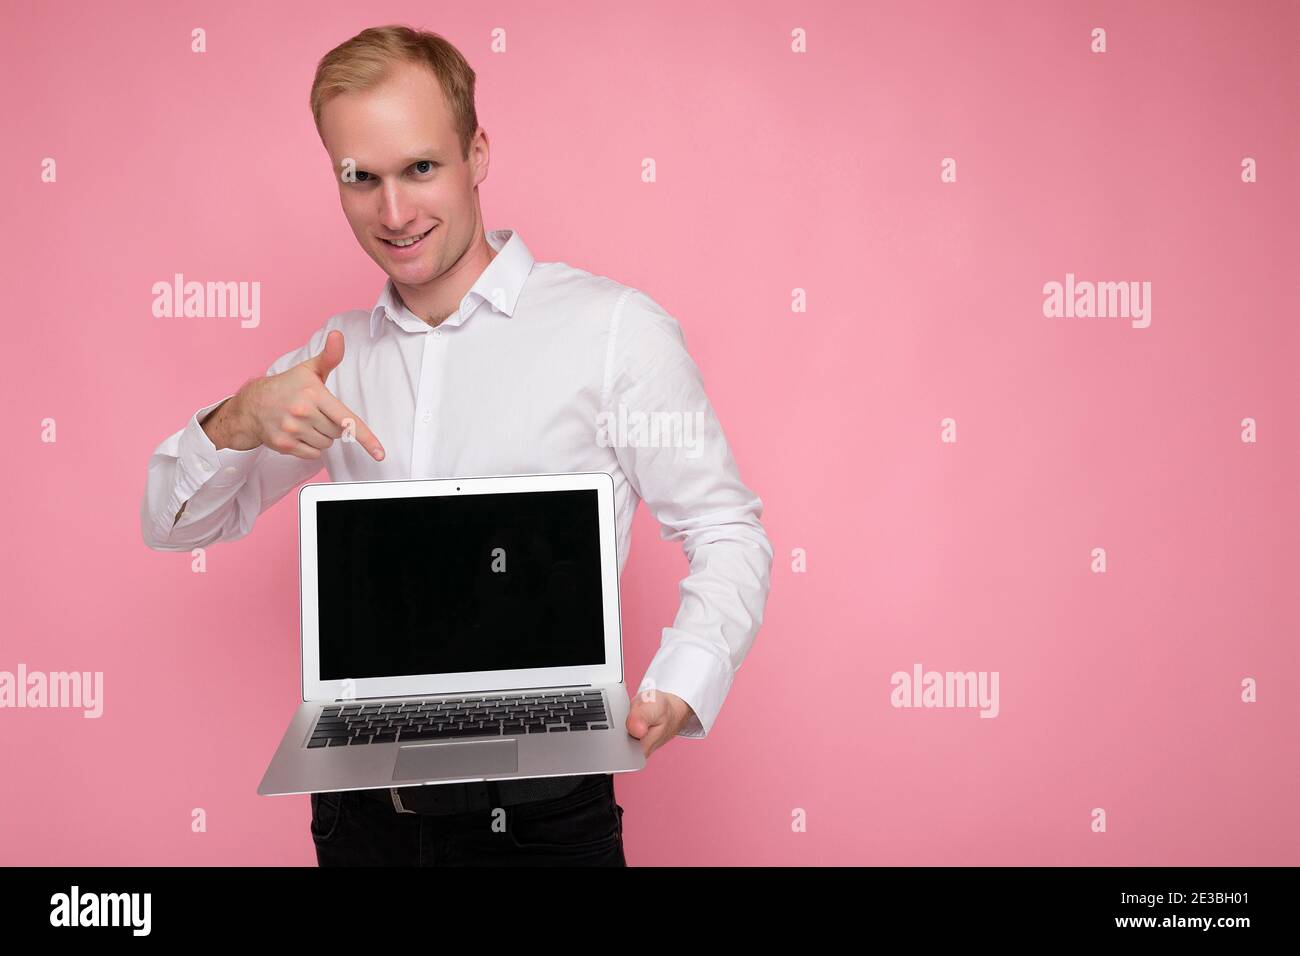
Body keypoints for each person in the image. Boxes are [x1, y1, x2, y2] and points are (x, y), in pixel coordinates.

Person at [140, 24, 773, 866]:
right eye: (360, 178)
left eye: (420, 168)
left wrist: (681, 686)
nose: (394, 213)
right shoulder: (331, 361)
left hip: (545, 820)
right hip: (364, 819)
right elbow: (173, 526)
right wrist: (236, 420)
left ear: (477, 154)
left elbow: (727, 531)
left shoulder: (612, 331)